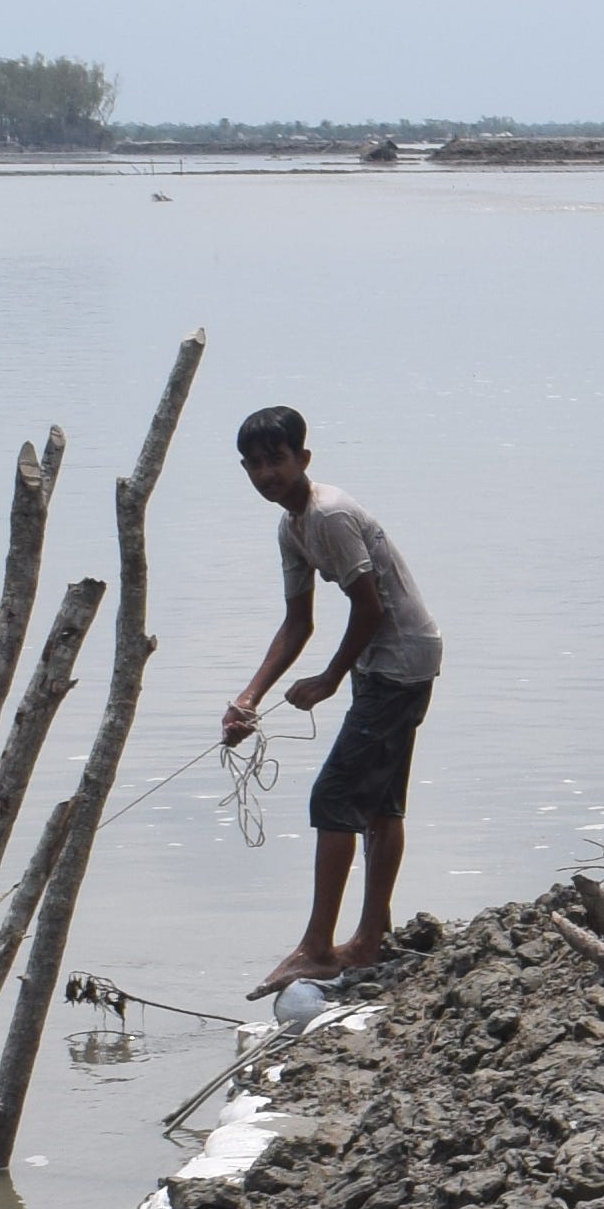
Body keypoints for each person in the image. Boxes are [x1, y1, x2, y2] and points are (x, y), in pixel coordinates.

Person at [220, 403, 443, 989]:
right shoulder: (291, 527)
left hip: (399, 661)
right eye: (254, 464)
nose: (267, 474)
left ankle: (319, 948)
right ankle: (370, 939)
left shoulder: (329, 515)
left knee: (334, 797)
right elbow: (298, 623)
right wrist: (249, 698)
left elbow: (370, 608)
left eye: (277, 460)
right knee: (380, 802)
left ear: (303, 458)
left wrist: (328, 680)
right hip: (387, 659)